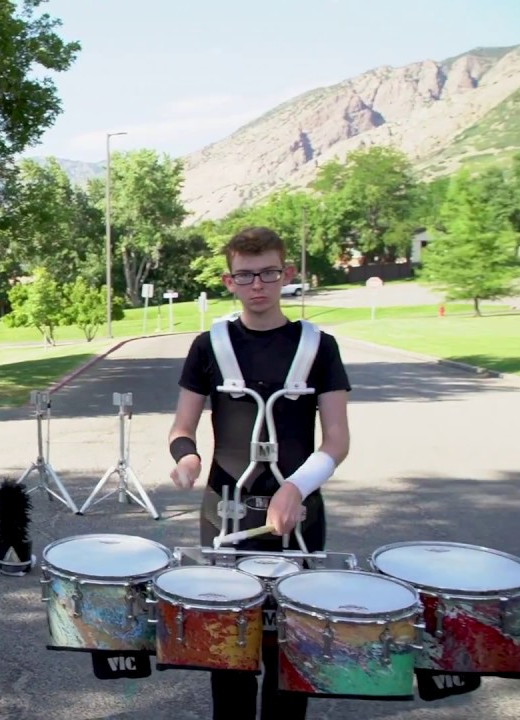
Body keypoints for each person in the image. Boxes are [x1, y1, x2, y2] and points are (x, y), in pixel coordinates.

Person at [166, 226, 351, 720]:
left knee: (289, 649)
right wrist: (187, 458)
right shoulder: (209, 346)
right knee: (228, 652)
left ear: (287, 274)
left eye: (269, 272)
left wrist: (296, 487)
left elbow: (337, 439)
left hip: (298, 514)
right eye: (246, 276)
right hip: (223, 516)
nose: (258, 285)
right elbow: (181, 429)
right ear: (229, 281)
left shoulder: (318, 346)